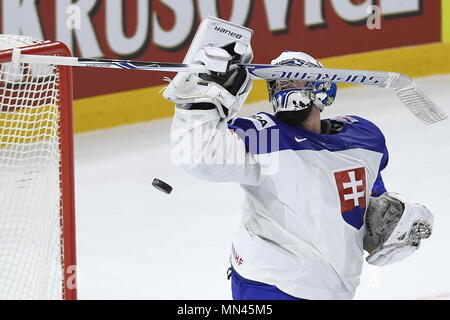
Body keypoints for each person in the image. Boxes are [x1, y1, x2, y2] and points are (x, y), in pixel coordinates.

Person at [164, 37, 434, 299]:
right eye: (279, 81)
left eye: (294, 76)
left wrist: (393, 218)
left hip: (335, 288)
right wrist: (201, 98)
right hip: (269, 284)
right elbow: (197, 154)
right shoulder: (267, 135)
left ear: (323, 88)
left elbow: (369, 192)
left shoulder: (364, 136)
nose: (285, 85)